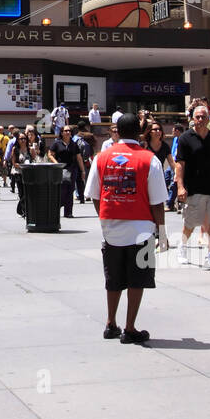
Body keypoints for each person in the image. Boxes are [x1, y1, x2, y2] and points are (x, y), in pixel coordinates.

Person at [84, 112, 168, 345]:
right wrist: (161, 232)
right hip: (141, 227)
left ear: (117, 132)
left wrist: (104, 217)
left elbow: (93, 194)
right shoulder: (150, 159)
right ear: (140, 133)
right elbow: (157, 201)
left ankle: (111, 323)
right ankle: (129, 328)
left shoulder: (101, 157)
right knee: (137, 278)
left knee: (114, 277)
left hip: (111, 227)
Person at [174, 101, 210, 269]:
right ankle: (182, 247)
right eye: (197, 117)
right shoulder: (185, 138)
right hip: (194, 189)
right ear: (193, 118)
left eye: (203, 117)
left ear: (208, 119)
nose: (200, 119)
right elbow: (179, 164)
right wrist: (180, 187)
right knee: (190, 224)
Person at [47, 124, 85, 219]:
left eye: (69, 131)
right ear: (62, 133)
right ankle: (58, 206)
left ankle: (68, 212)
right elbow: (50, 154)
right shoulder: (57, 143)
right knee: (63, 189)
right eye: (66, 131)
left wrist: (83, 171)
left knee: (70, 190)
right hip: (61, 169)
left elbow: (79, 157)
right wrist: (56, 163)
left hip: (72, 169)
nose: (68, 132)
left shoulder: (74, 144)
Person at [145, 120, 177, 211]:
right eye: (155, 130)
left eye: (159, 129)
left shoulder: (165, 146)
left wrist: (177, 174)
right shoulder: (144, 145)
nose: (158, 131)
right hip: (145, 177)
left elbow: (171, 162)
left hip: (159, 176)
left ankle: (160, 225)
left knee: (158, 204)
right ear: (149, 132)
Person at [9, 129, 41, 218]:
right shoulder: (15, 149)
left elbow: (35, 160)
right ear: (17, 140)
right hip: (19, 172)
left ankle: (21, 209)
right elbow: (14, 163)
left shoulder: (30, 149)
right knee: (21, 193)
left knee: (28, 193)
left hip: (29, 173)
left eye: (24, 139)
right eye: (20, 139)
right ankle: (24, 211)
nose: (23, 140)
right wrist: (22, 166)